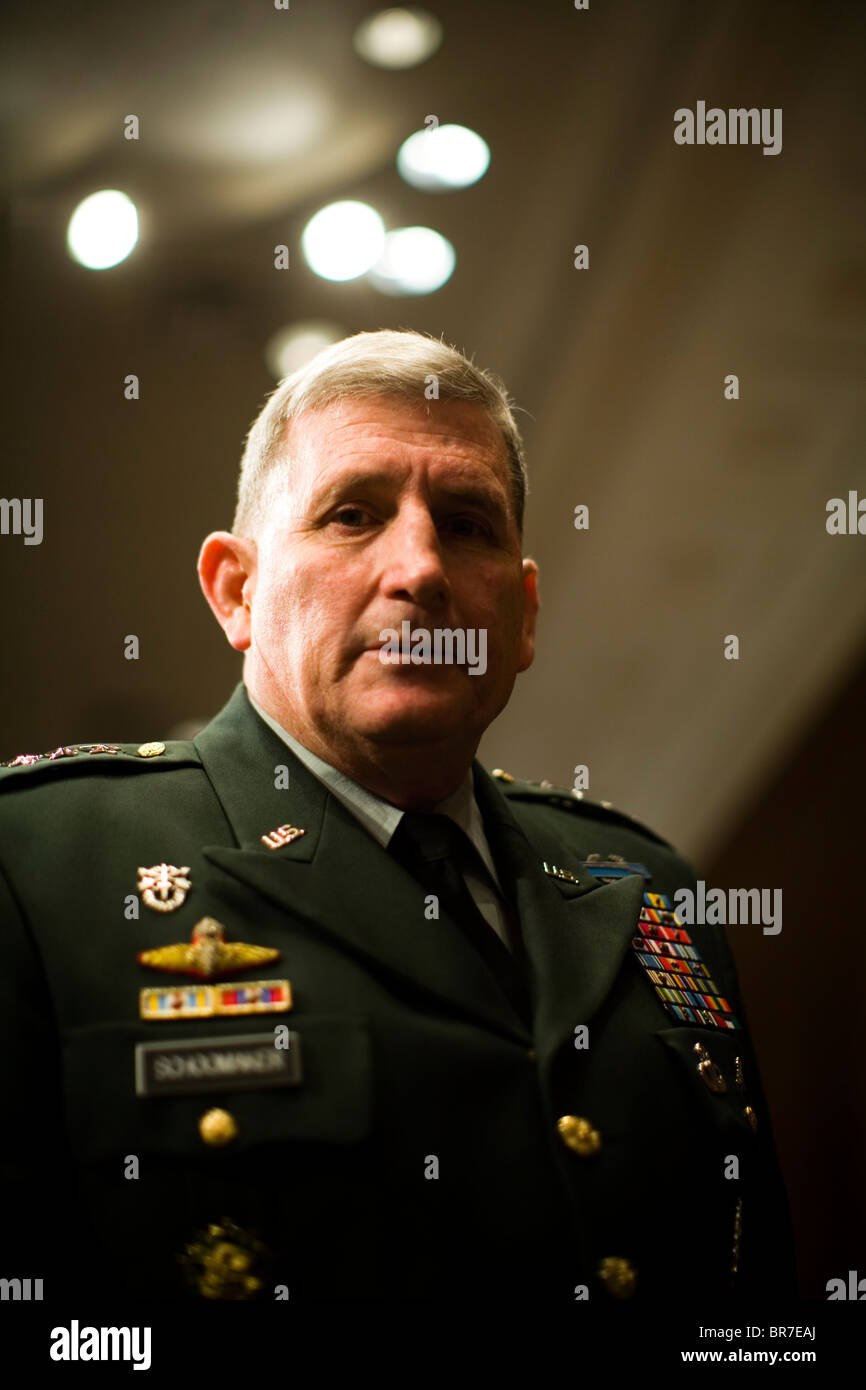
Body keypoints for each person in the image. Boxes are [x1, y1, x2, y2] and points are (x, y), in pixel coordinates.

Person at [0, 330, 795, 1303]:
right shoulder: (42, 866)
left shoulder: (649, 892)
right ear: (235, 590)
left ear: (524, 613)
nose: (419, 568)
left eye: (466, 524)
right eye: (351, 514)